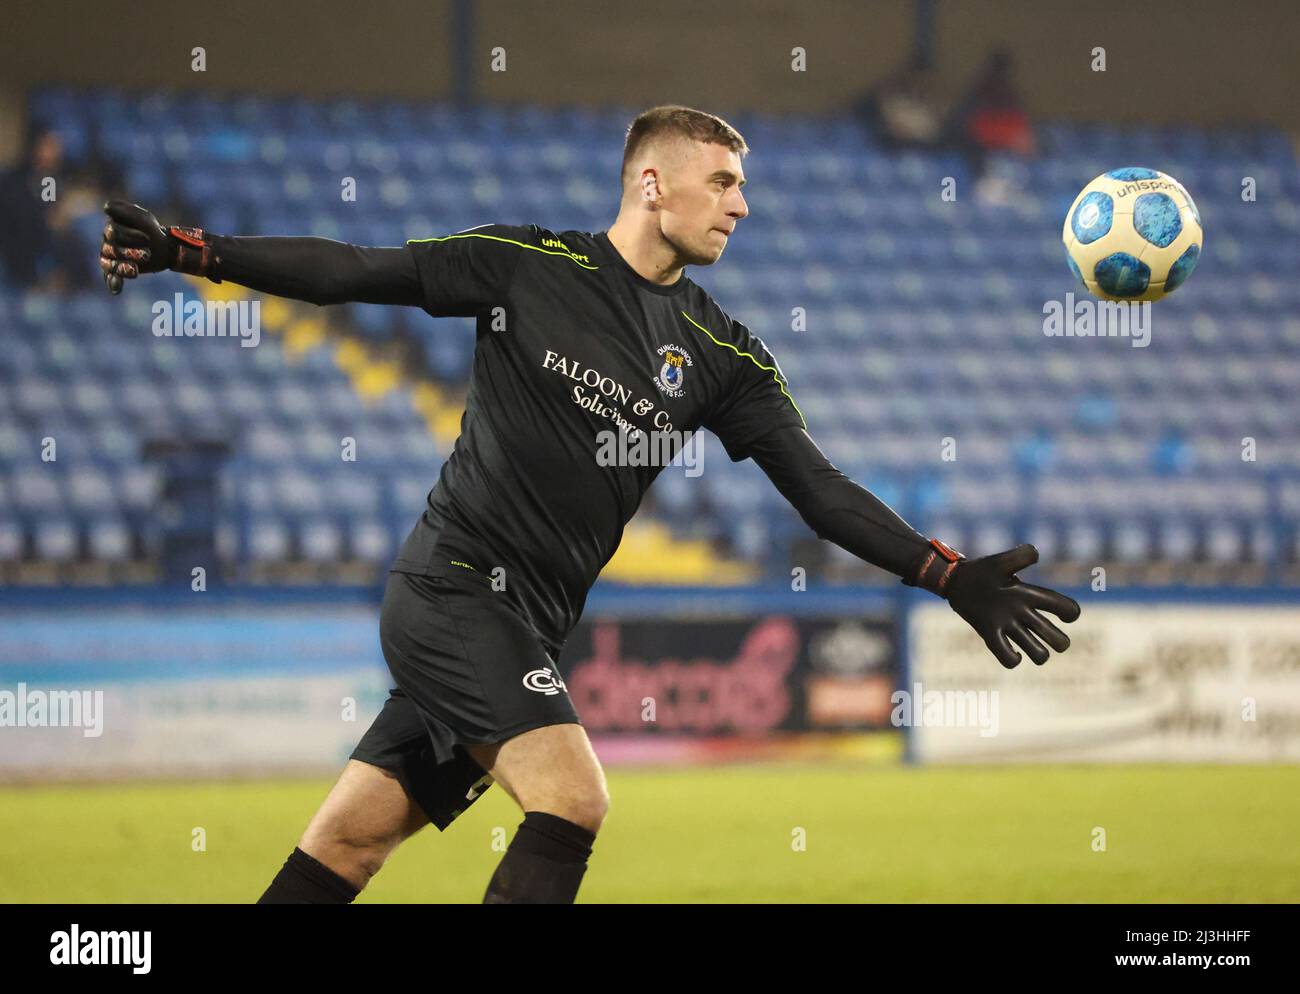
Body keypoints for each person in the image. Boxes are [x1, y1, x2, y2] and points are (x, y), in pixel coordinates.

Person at [99, 104, 1080, 904]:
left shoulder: (724, 355)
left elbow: (817, 490)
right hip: (449, 586)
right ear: (652, 184)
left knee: (348, 845)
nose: (742, 204)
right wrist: (195, 250)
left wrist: (944, 572)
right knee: (572, 799)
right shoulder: (525, 266)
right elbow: (357, 270)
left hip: (527, 625)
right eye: (724, 181)